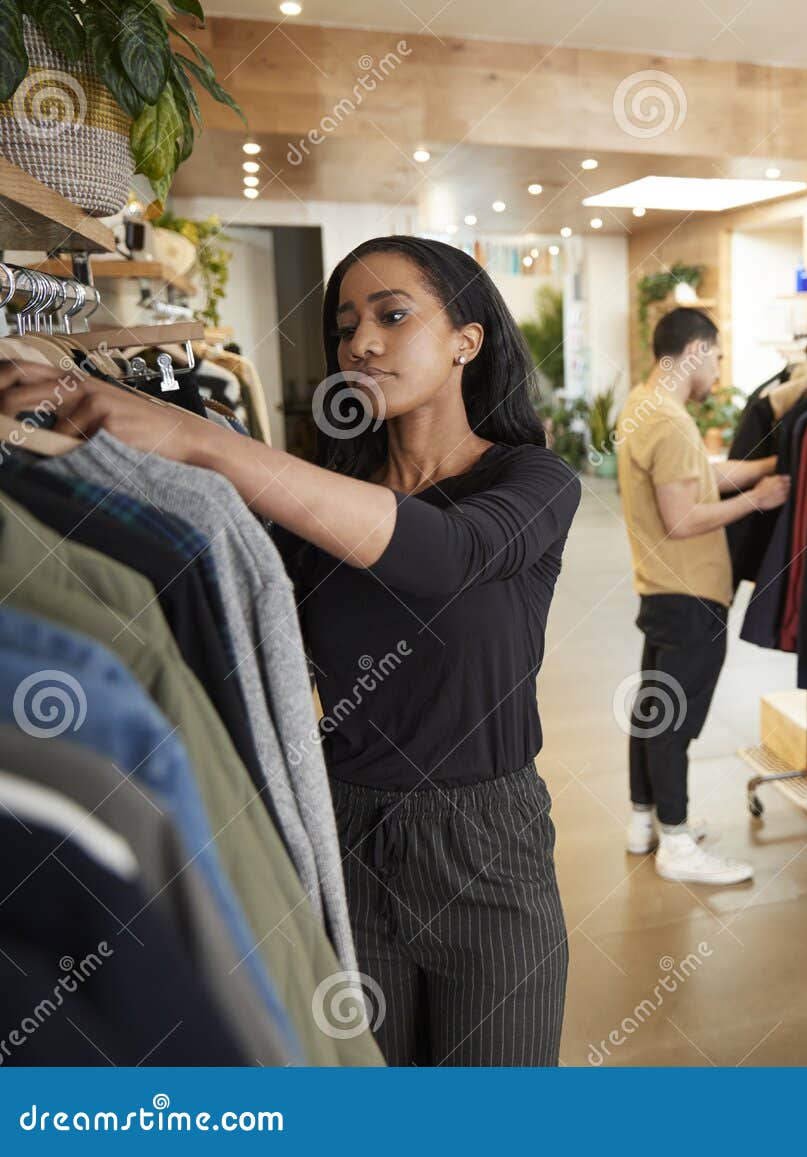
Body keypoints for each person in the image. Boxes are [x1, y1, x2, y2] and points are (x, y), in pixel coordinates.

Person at [1, 236, 579, 1066]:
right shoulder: (310, 498)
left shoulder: (532, 481)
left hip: (488, 848)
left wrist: (202, 440)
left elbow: (448, 555)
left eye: (392, 314)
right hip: (340, 832)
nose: (361, 343)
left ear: (467, 339)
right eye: (346, 326)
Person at [615, 308, 789, 884]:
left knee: (652, 714)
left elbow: (697, 475)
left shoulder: (648, 407)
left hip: (664, 590)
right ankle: (678, 844)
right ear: (694, 351)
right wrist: (758, 501)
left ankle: (646, 823)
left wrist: (768, 465)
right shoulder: (668, 423)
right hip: (690, 594)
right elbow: (684, 516)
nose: (719, 367)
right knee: (673, 725)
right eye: (717, 355)